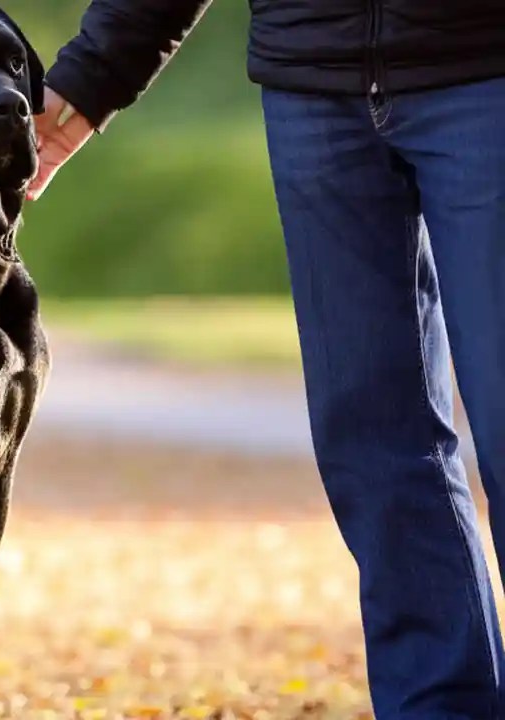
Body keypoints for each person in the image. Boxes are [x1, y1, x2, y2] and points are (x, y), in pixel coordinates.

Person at [29, 2, 505, 717]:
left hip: (483, 70)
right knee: (369, 437)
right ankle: (437, 705)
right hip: (312, 86)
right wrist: (93, 76)